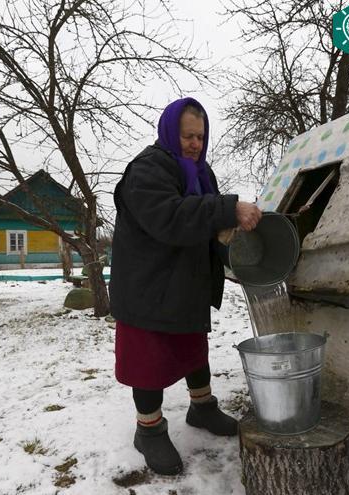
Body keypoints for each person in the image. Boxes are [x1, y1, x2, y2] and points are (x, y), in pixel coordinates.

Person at [109, 97, 262, 475]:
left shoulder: (198, 171)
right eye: (187, 135)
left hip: (183, 283)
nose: (195, 143)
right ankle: (148, 430)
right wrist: (227, 209)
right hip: (147, 285)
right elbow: (170, 217)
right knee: (149, 361)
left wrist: (237, 252)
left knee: (193, 349)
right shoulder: (148, 169)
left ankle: (202, 407)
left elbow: (204, 224)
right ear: (168, 132)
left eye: (200, 136)